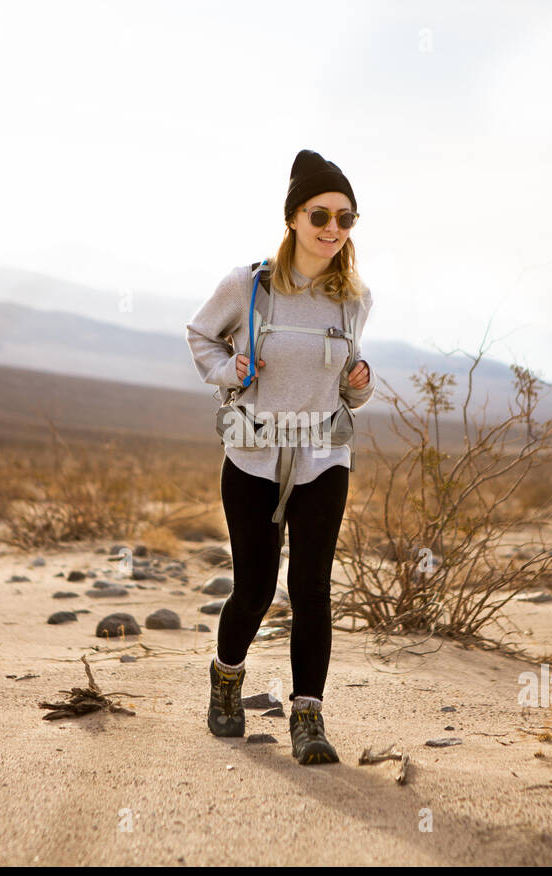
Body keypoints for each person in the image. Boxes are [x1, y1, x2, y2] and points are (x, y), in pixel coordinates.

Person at [184, 148, 374, 765]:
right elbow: (200, 335)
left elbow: (346, 384)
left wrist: (361, 384)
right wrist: (229, 369)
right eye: (320, 214)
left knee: (312, 586)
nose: (332, 229)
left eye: (346, 218)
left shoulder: (353, 298)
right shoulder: (250, 284)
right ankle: (227, 679)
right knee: (256, 587)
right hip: (254, 458)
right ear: (293, 217)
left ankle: (309, 717)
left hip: (323, 457)